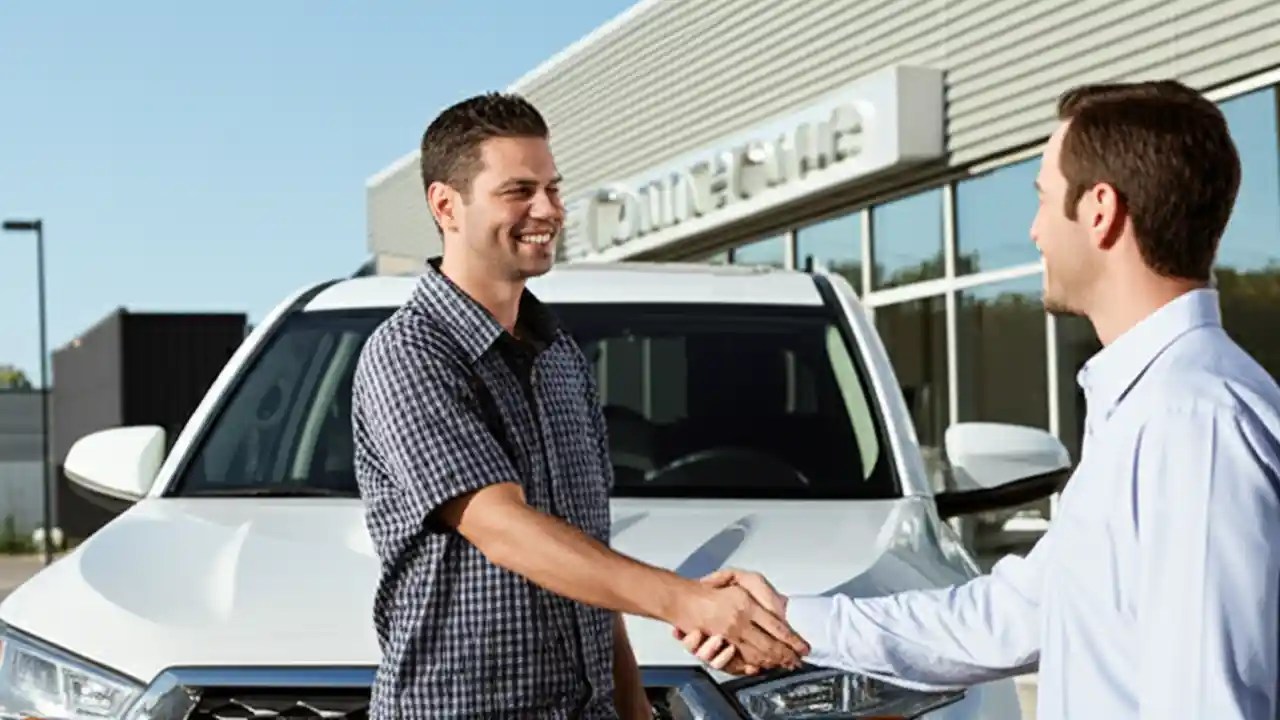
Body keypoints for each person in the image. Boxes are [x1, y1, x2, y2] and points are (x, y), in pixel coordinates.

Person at [676, 79, 1280, 719]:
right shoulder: (1152, 409)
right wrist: (788, 619)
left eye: (1043, 198)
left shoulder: (1192, 423)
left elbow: (1210, 701)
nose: (1035, 230)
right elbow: (1008, 618)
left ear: (1100, 210)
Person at [350, 92, 809, 720]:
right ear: (446, 205)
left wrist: (634, 709)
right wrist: (692, 603)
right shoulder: (409, 353)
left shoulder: (561, 358)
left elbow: (583, 554)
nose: (548, 210)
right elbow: (504, 530)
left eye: (553, 188)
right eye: (519, 191)